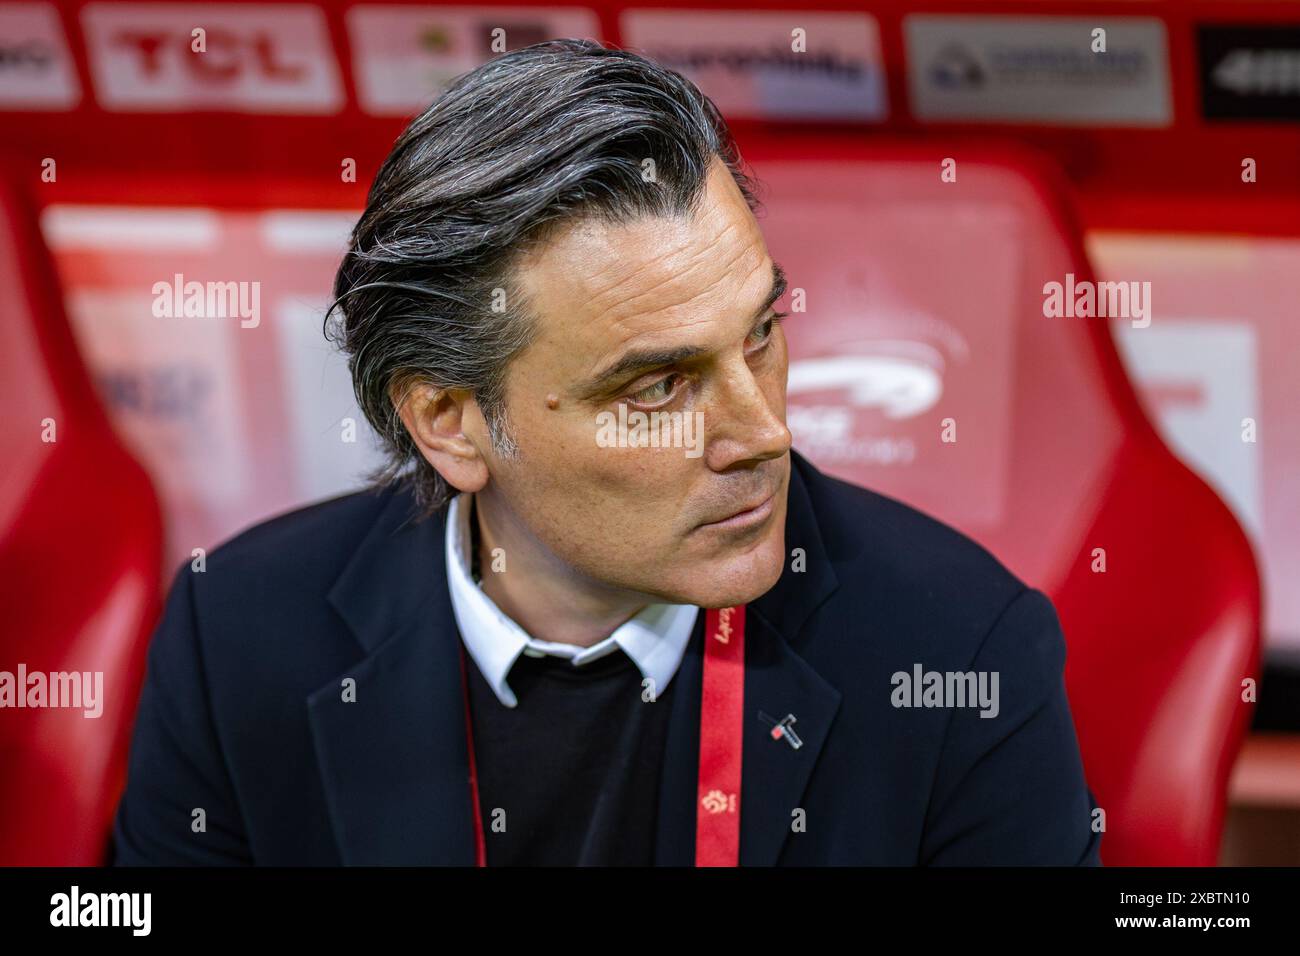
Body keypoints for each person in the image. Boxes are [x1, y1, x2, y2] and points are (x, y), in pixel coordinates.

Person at [111, 38, 1101, 866]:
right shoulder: (236, 636)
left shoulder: (962, 651)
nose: (763, 433)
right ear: (450, 422)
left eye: (760, 334)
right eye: (658, 386)